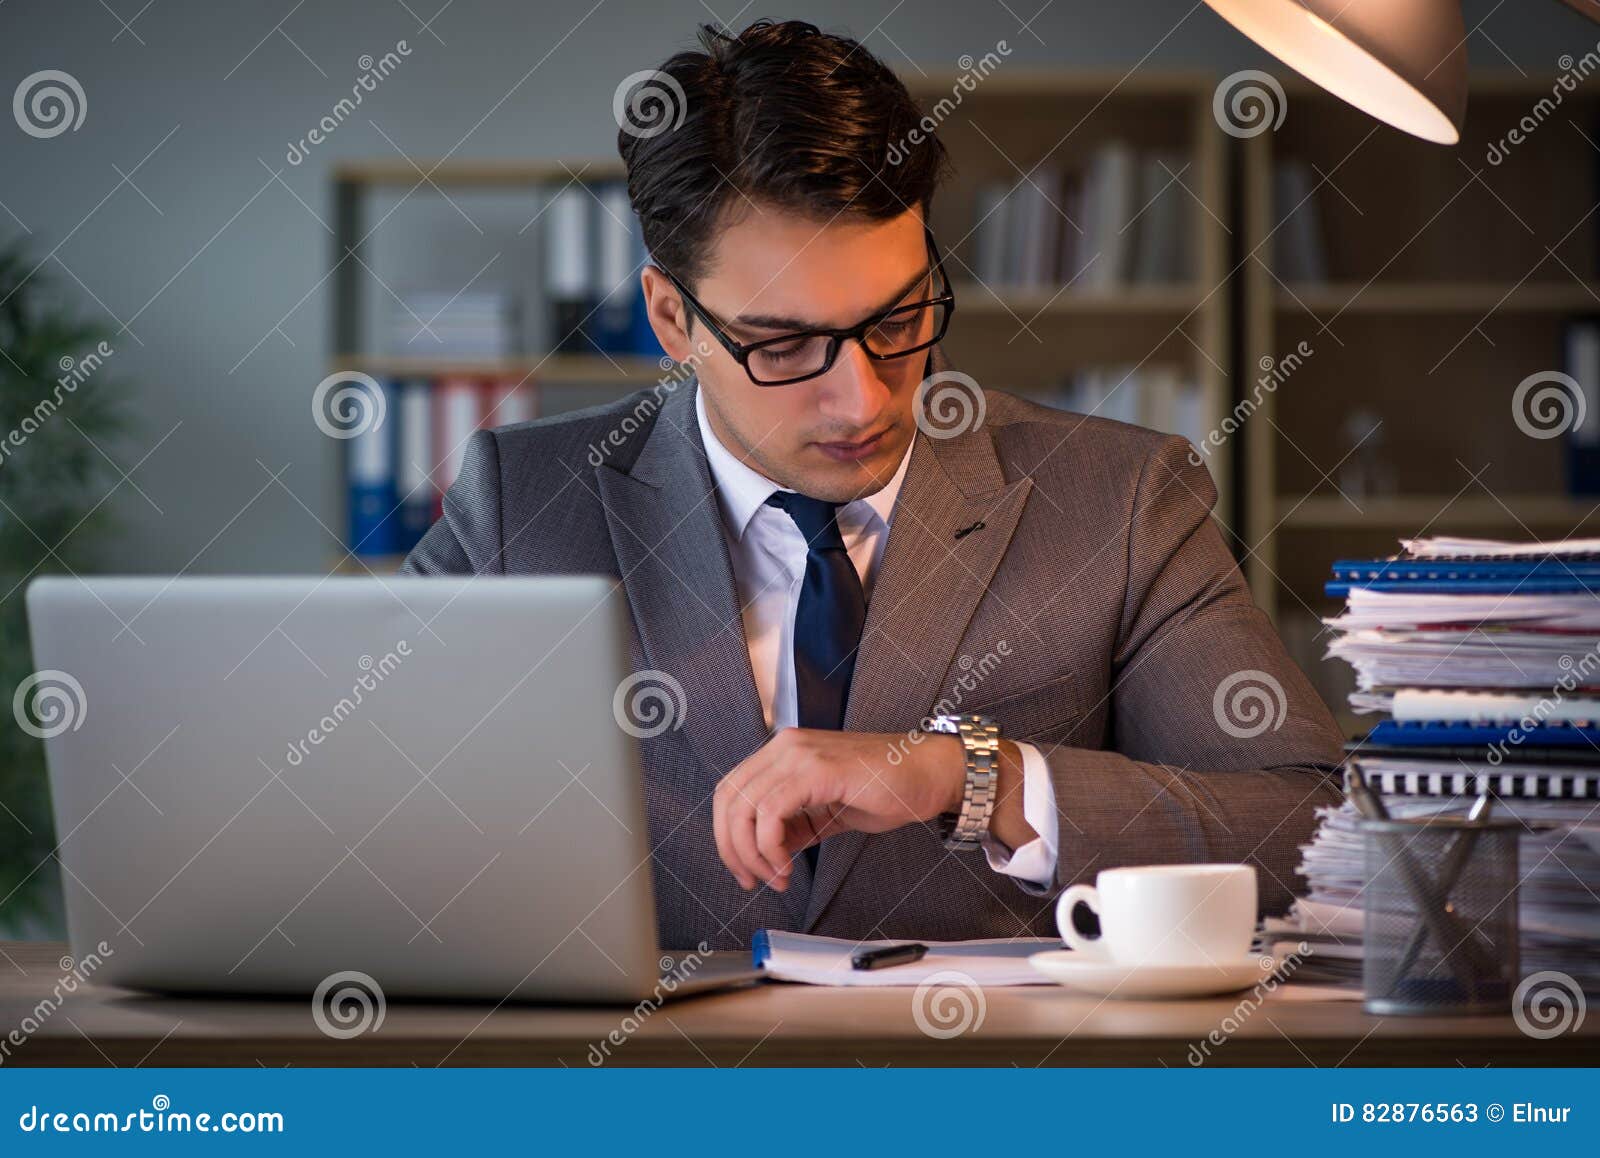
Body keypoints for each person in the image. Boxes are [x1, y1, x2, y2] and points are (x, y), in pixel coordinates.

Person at [403, 18, 1344, 950]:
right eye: (783, 344)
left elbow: (1315, 829)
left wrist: (978, 778)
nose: (861, 399)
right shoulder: (522, 506)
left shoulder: (1118, 499)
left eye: (898, 321)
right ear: (671, 318)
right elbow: (353, 828)